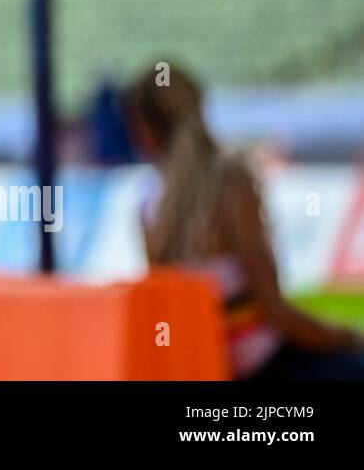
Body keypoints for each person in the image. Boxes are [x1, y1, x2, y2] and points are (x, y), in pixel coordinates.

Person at [122, 62, 364, 380]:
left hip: (205, 368)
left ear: (144, 133)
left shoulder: (148, 206)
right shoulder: (231, 184)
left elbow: (165, 319)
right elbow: (277, 314)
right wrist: (349, 337)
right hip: (263, 364)